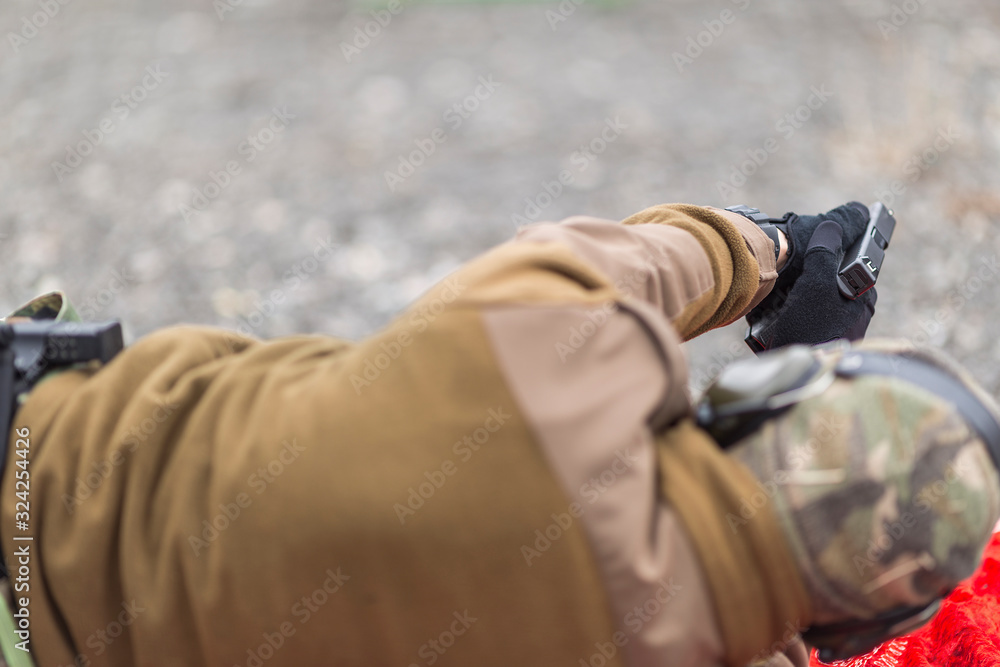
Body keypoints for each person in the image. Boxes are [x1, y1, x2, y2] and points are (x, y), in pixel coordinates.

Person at [1, 201, 998, 667]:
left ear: (761, 401)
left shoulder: (548, 353)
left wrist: (777, 250)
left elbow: (653, 259)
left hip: (38, 473)